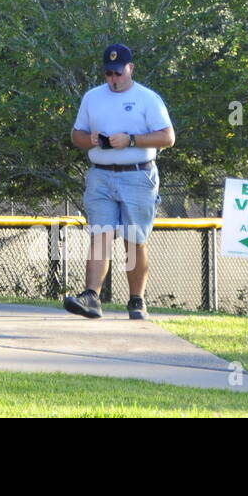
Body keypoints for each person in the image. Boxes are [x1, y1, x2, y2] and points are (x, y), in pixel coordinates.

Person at [63, 43, 175, 321]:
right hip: (100, 173)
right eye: (108, 74)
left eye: (118, 73)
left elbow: (168, 137)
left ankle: (136, 300)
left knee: (133, 240)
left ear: (130, 69)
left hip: (137, 175)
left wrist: (131, 139)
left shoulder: (148, 98)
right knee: (99, 234)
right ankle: (91, 296)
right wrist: (87, 139)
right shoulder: (92, 97)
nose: (113, 79)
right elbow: (76, 135)